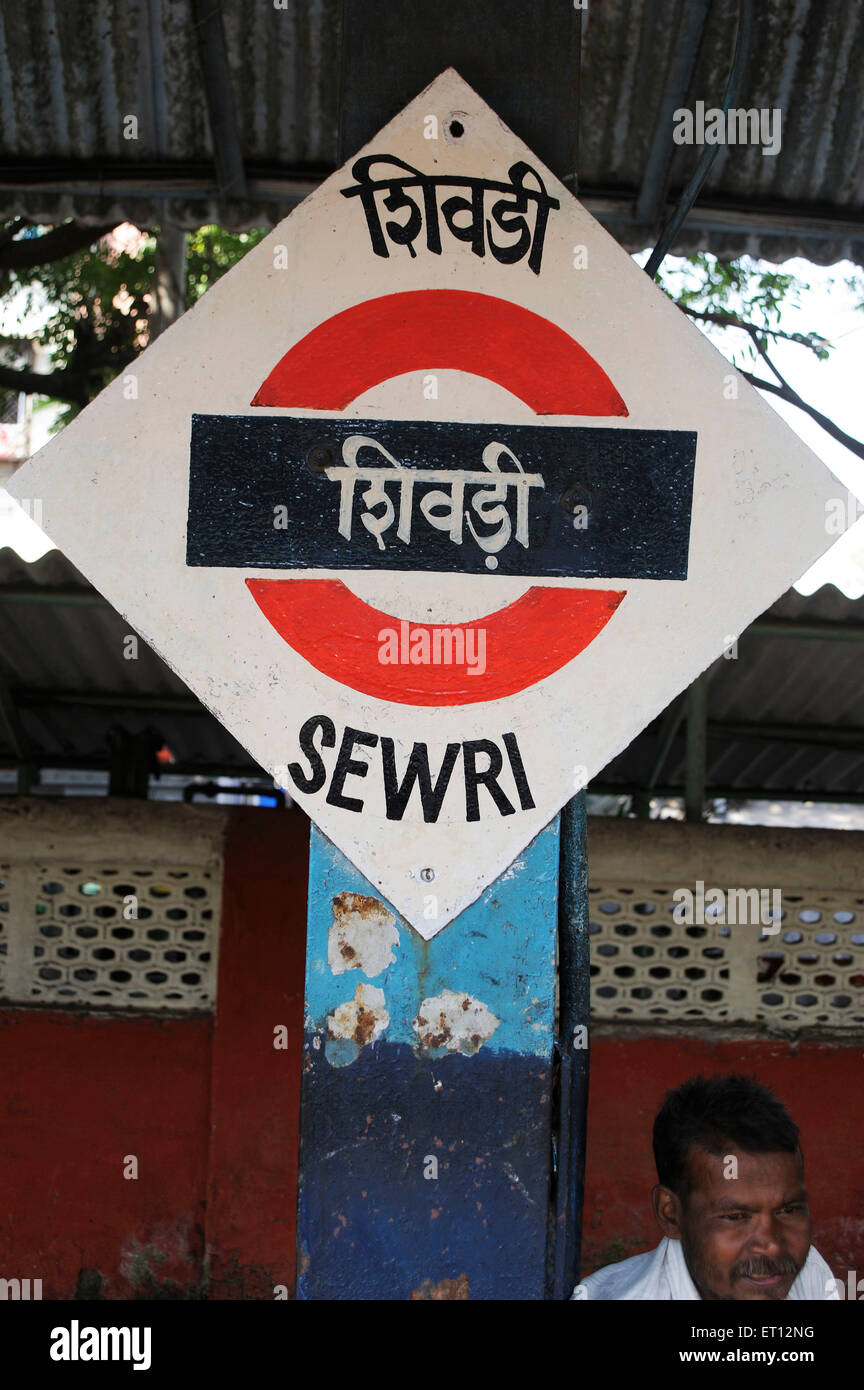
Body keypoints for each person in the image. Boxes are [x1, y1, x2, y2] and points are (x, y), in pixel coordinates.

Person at [572, 1073, 839, 1300]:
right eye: (736, 1217)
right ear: (671, 1214)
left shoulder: (805, 1271)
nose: (771, 1245)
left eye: (788, 1210)